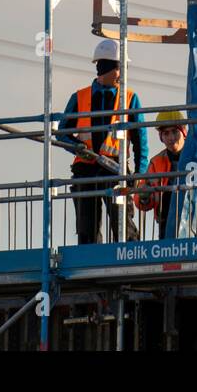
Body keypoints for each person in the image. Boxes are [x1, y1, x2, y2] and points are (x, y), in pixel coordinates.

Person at [59, 39, 148, 244]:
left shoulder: (130, 98)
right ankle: (90, 262)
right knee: (87, 225)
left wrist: (139, 174)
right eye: (121, 68)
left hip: (115, 168)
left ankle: (130, 257)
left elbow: (140, 141)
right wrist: (76, 148)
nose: (123, 74)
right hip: (85, 169)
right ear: (107, 68)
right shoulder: (79, 97)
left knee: (122, 223)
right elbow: (61, 132)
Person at [135, 111, 197, 238]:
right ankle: (169, 245)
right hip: (170, 222)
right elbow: (143, 201)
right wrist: (144, 196)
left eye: (175, 132)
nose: (171, 138)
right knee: (168, 196)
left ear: (184, 132)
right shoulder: (157, 163)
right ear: (161, 137)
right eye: (166, 133)